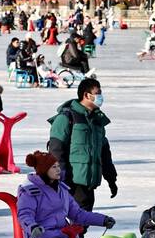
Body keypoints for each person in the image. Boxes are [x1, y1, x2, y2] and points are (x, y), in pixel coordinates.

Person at [46, 78, 118, 211]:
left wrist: (111, 179)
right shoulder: (66, 117)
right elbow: (56, 150)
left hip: (89, 183)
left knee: (82, 223)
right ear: (86, 95)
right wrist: (61, 178)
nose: (100, 97)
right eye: (98, 93)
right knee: (72, 224)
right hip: (71, 182)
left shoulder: (97, 121)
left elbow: (104, 153)